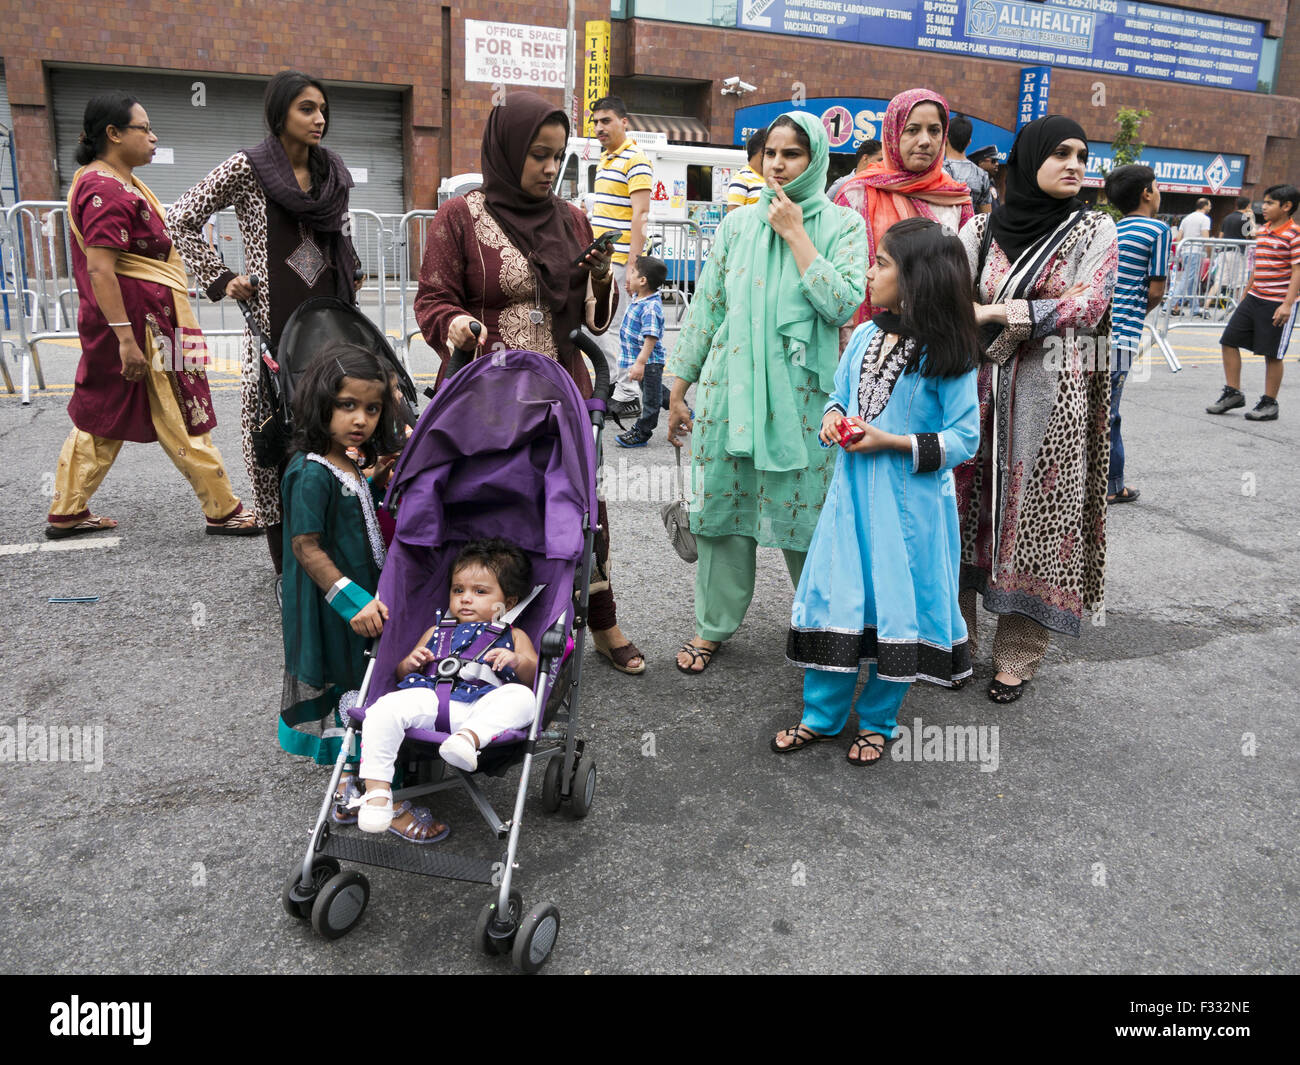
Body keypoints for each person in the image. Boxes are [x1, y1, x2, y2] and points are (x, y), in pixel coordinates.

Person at [413, 91, 645, 676]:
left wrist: (599, 277)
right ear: (507, 148)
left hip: (559, 391)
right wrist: (457, 324)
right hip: (482, 394)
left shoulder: (571, 219)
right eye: (538, 154)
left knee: (579, 507)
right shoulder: (460, 216)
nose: (548, 168)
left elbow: (595, 319)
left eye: (558, 157)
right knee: (482, 506)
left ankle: (601, 620)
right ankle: (467, 625)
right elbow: (433, 298)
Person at [664, 111, 867, 674]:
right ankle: (711, 628)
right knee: (722, 517)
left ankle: (825, 630)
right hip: (731, 397)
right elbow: (706, 309)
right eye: (770, 153)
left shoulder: (844, 225)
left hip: (805, 407)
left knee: (810, 524)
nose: (777, 165)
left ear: (817, 160)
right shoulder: (735, 226)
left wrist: (796, 233)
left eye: (792, 154)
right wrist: (679, 389)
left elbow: (843, 303)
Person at [772, 218, 980, 765]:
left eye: (882, 263)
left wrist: (892, 441)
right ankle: (821, 716)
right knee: (836, 595)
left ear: (918, 278)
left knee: (897, 605)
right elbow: (837, 396)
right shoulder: (864, 335)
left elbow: (965, 438)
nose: (869, 272)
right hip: (850, 501)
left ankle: (880, 721)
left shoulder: (948, 353)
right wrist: (832, 420)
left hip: (910, 513)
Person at [170, 70, 362, 580]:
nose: (319, 118)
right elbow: (181, 216)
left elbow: (341, 236)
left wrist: (353, 274)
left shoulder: (332, 172)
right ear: (280, 113)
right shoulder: (249, 167)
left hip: (330, 325)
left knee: (336, 432)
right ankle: (289, 566)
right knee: (273, 441)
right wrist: (221, 276)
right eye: (306, 108)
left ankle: (342, 550)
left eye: (323, 108)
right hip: (271, 330)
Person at [956, 114, 1118, 703]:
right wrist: (983, 318)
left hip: (1049, 397)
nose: (1075, 164)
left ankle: (1016, 657)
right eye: (1061, 154)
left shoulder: (1094, 229)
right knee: (963, 512)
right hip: (970, 389)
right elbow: (954, 299)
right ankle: (958, 641)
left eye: (1082, 154)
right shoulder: (978, 230)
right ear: (1029, 160)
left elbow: (1088, 303)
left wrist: (1001, 315)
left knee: (1033, 519)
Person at [46, 93, 258, 540]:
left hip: (140, 318)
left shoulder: (109, 181)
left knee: (102, 414)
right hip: (145, 323)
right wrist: (126, 339)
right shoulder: (105, 188)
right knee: (181, 408)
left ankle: (67, 508)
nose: (154, 136)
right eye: (144, 128)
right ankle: (223, 508)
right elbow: (102, 268)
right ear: (114, 134)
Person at [278, 345, 422, 820]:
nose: (360, 419)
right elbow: (305, 546)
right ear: (322, 403)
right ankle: (367, 795)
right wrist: (353, 601)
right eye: (347, 406)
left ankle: (358, 787)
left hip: (363, 602)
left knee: (369, 687)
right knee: (357, 692)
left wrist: (373, 479)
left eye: (372, 408)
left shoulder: (345, 461)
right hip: (338, 610)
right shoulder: (310, 470)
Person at [351, 539, 538, 838]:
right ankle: (377, 792)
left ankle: (467, 740)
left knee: (524, 698)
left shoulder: (513, 635)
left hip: (481, 708)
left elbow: (531, 674)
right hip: (432, 698)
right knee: (383, 708)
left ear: (509, 602)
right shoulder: (437, 631)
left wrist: (516, 659)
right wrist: (410, 662)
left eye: (480, 592)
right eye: (458, 589)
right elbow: (400, 673)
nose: (465, 599)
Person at [833, 89, 974, 341]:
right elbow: (840, 276)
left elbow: (964, 276)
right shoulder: (856, 194)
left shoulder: (955, 199)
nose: (925, 140)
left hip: (935, 340)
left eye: (934, 130)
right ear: (892, 132)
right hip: (864, 338)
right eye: (912, 130)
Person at [1103, 164, 1171, 504]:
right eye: (1157, 187)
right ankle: (1113, 486)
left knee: (1095, 406)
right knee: (1110, 411)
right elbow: (1156, 291)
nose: (1159, 192)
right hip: (1123, 335)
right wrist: (1133, 315)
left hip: (1097, 332)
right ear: (1146, 193)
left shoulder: (1113, 228)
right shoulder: (1157, 230)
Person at [1206, 184, 1300, 422]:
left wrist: (1287, 304)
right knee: (1229, 340)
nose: (1263, 207)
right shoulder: (1264, 231)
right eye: (1264, 203)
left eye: (1269, 203)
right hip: (1255, 298)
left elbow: (1297, 271)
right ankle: (1233, 392)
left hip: (1278, 302)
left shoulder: (1295, 235)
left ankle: (1269, 402)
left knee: (1273, 354)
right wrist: (1246, 293)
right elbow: (1258, 267)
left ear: (1287, 207)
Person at [588, 95, 653, 422]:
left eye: (606, 121)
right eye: (596, 122)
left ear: (624, 122)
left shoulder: (635, 159)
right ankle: (617, 382)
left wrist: (633, 264)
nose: (599, 127)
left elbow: (641, 213)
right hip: (602, 260)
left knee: (616, 328)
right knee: (595, 327)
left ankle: (628, 394)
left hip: (621, 260)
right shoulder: (605, 158)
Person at [615, 255, 669, 448]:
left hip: (649, 362)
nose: (630, 276)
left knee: (651, 402)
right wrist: (632, 290)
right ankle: (682, 410)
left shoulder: (651, 307)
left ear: (643, 280)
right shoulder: (641, 298)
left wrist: (641, 362)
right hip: (643, 361)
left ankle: (642, 431)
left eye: (633, 273)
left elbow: (651, 337)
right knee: (655, 392)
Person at [1168, 197, 1212, 314]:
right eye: (1209, 205)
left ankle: (1195, 308)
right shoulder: (1205, 219)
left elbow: (1179, 237)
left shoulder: (1187, 218)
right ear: (1205, 206)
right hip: (1196, 251)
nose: (1210, 208)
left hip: (1185, 251)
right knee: (1188, 279)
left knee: (1192, 280)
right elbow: (1205, 237)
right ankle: (1168, 305)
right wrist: (1209, 252)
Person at [942, 114, 992, 214]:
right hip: (970, 228)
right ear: (969, 142)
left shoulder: (938, 171)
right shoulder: (982, 175)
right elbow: (986, 218)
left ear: (945, 139)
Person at [825, 138, 883, 203]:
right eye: (880, 160)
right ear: (865, 158)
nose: (883, 164)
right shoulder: (843, 184)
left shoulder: (881, 186)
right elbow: (824, 208)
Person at [727, 130, 767, 213]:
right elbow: (733, 218)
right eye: (772, 152)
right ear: (762, 152)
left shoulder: (771, 178)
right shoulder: (741, 179)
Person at [969, 145, 1001, 210]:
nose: (997, 164)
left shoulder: (991, 182)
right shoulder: (974, 185)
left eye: (997, 161)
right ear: (980, 163)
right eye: (993, 161)